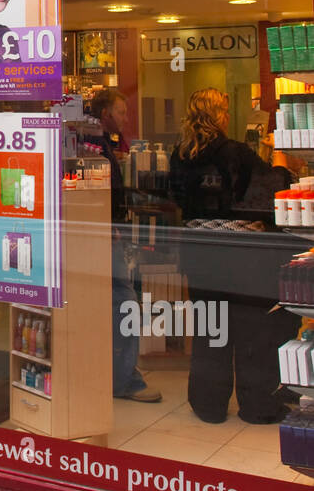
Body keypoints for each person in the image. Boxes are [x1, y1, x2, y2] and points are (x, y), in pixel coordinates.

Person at [169, 87, 295, 424]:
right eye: (224, 110)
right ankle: (257, 406)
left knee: (211, 329)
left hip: (198, 252)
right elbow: (271, 193)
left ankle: (208, 404)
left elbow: (178, 199)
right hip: (239, 255)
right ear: (219, 115)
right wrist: (280, 161)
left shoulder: (179, 155)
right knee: (251, 331)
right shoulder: (235, 153)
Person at [91, 86, 162, 404]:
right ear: (106, 114)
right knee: (125, 303)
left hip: (104, 233)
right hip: (104, 237)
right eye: (121, 112)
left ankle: (114, 375)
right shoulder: (95, 144)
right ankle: (125, 380)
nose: (126, 117)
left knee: (114, 304)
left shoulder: (100, 143)